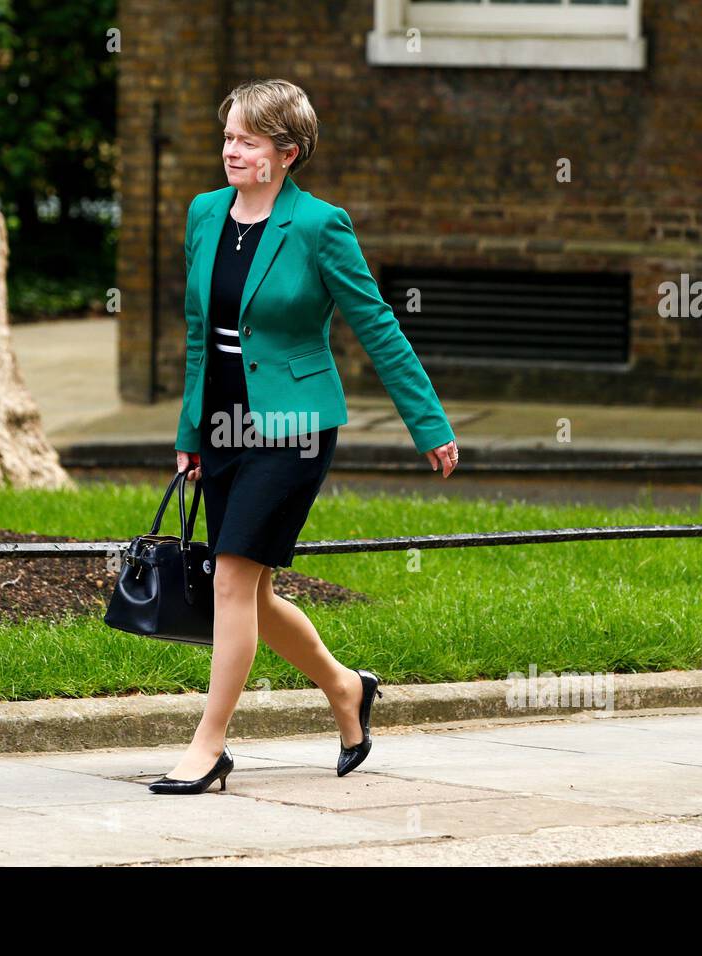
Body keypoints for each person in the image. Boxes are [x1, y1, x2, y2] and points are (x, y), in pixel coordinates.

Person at [149, 79, 459, 795]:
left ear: (286, 154)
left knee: (231, 576)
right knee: (249, 594)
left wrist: (429, 423)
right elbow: (200, 333)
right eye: (227, 136)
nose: (231, 150)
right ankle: (346, 688)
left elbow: (376, 324)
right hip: (223, 424)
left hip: (292, 429)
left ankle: (210, 744)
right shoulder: (204, 214)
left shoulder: (320, 227)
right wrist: (190, 431)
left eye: (247, 141)